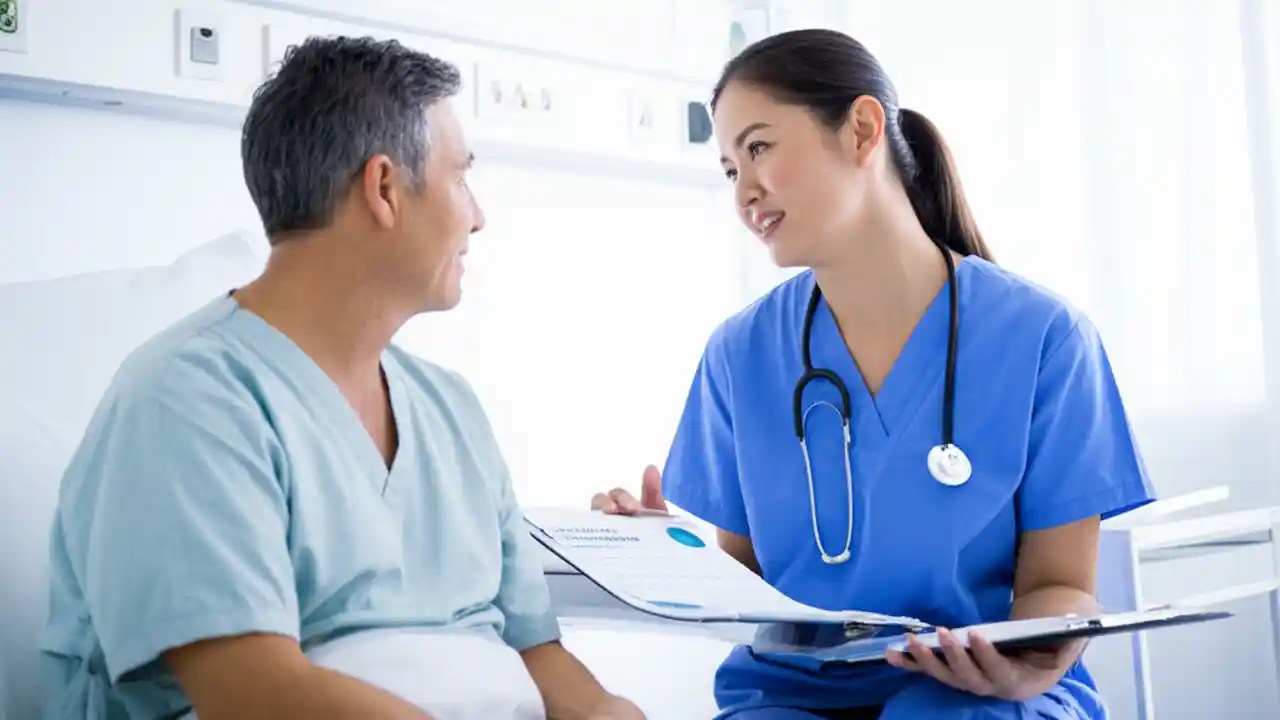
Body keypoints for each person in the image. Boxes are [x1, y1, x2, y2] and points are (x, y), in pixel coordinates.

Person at [41, 36, 643, 720]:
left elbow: (535, 651)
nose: (478, 216)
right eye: (461, 178)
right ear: (384, 188)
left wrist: (605, 711)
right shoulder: (186, 401)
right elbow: (254, 693)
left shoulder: (451, 409)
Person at [593, 28, 1155, 720]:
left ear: (861, 129)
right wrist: (654, 557)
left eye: (760, 147)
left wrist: (1016, 675)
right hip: (789, 698)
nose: (745, 190)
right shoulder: (740, 355)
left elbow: (1061, 585)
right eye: (731, 169)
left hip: (975, 702)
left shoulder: (1042, 339)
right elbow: (744, 583)